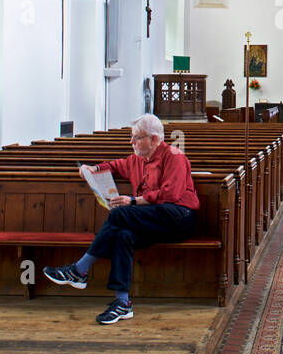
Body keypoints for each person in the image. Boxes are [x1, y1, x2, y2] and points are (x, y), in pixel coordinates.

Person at [43, 113, 200, 324]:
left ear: (153, 139)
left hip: (179, 217)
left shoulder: (175, 156)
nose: (131, 141)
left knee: (120, 213)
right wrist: (93, 169)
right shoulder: (136, 160)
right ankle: (122, 302)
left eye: (136, 137)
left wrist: (133, 201)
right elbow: (115, 166)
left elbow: (170, 195)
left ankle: (80, 269)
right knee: (123, 235)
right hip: (152, 220)